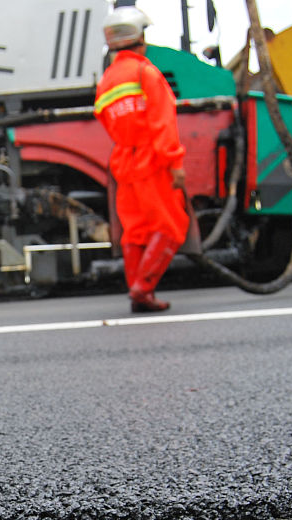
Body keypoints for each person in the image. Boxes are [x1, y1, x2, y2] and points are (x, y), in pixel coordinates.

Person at [94, 6, 189, 313]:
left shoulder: (107, 80)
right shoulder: (145, 73)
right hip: (152, 158)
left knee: (135, 230)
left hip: (124, 159)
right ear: (139, 38)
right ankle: (143, 289)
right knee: (172, 226)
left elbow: (105, 119)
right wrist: (175, 164)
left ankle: (139, 291)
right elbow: (163, 123)